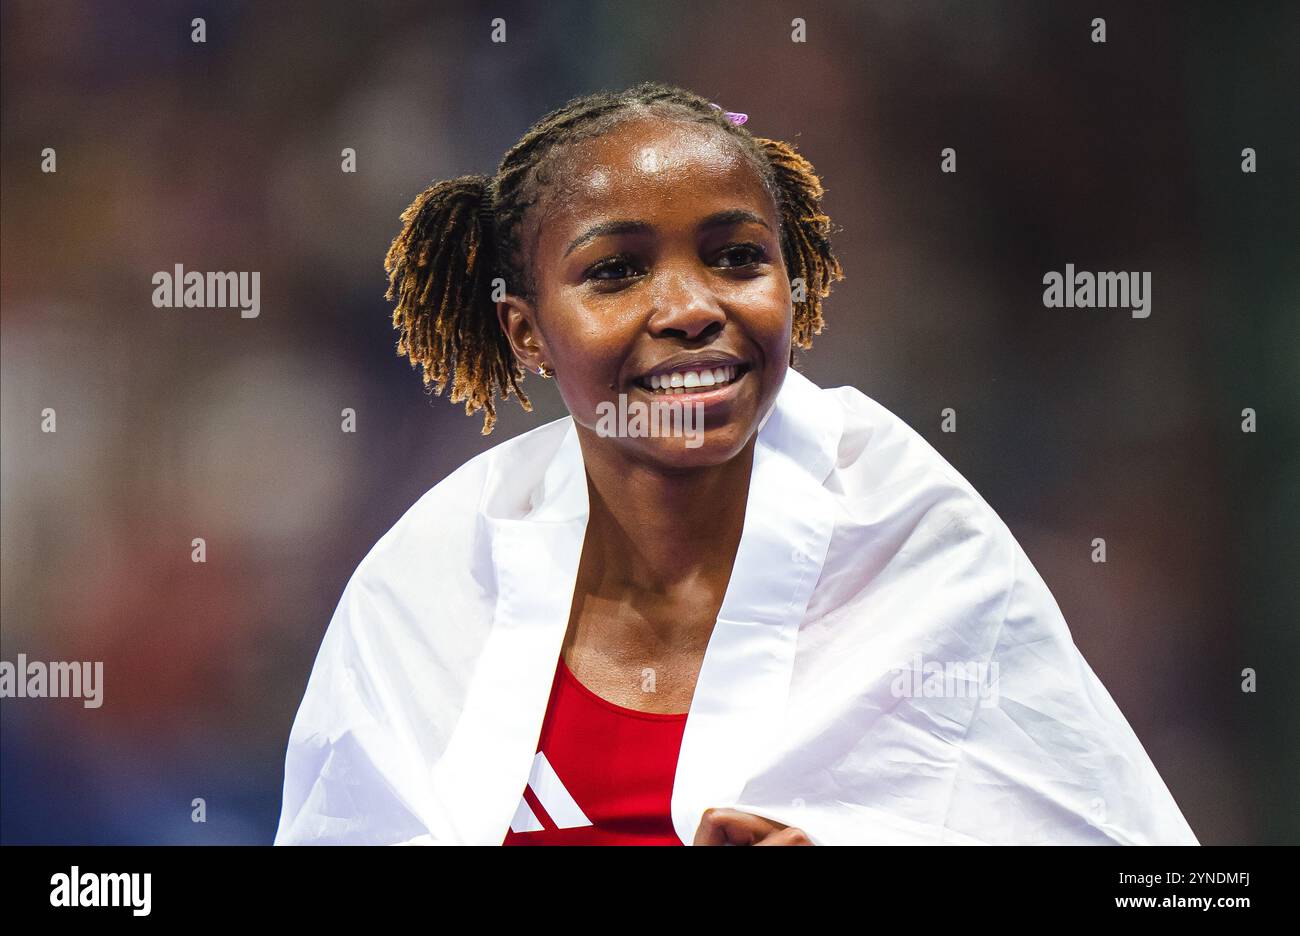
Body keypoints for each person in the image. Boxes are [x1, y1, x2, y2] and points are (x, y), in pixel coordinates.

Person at [274, 82, 1198, 845]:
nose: (690, 308)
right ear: (526, 331)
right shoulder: (429, 591)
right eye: (616, 271)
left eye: (737, 257)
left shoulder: (917, 550)